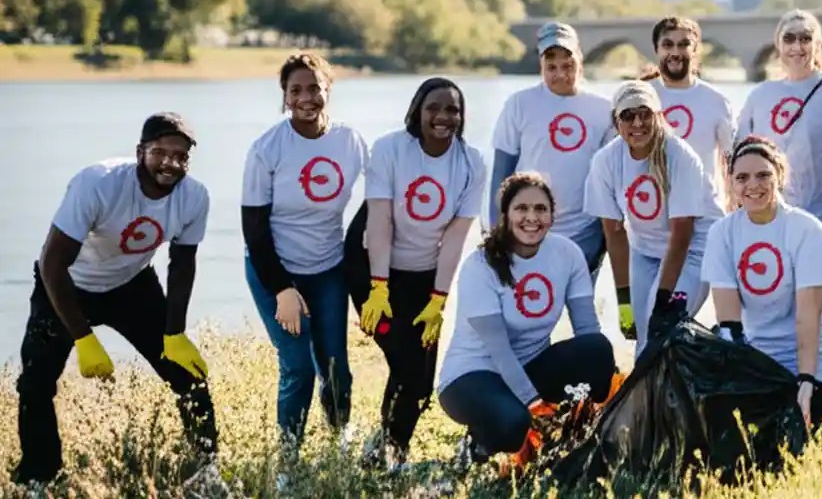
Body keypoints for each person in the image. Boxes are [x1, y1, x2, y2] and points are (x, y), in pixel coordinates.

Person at [13, 113, 218, 486]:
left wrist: (175, 332)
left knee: (189, 376)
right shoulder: (98, 183)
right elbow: (52, 262)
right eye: (160, 152)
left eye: (181, 155)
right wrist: (82, 337)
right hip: (65, 284)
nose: (171, 162)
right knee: (36, 384)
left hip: (131, 284)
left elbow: (182, 265)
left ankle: (207, 472)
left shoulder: (194, 197)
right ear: (140, 152)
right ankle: (38, 479)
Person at [350, 77, 485, 468]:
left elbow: (457, 234)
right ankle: (391, 453)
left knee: (421, 382)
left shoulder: (471, 161)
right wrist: (378, 288)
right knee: (406, 365)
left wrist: (438, 298)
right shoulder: (390, 149)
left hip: (425, 275)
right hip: (372, 267)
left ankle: (386, 448)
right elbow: (379, 221)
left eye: (453, 110)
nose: (443, 117)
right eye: (434, 108)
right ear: (417, 111)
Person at [436, 172, 617, 462]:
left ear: (552, 216)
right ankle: (475, 448)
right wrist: (533, 404)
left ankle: (578, 440)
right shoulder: (480, 265)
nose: (531, 217)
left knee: (598, 349)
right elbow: (499, 350)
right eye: (521, 208)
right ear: (505, 214)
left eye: (540, 209)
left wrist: (602, 383)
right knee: (514, 424)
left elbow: (587, 328)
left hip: (530, 366)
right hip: (472, 376)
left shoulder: (567, 254)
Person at [242, 52, 368, 454]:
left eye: (315, 87)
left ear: (328, 90)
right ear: (285, 97)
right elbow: (254, 229)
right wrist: (282, 288)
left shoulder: (349, 140)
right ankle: (289, 457)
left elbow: (381, 196)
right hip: (275, 271)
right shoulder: (267, 149)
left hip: (329, 269)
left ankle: (339, 441)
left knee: (336, 367)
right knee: (297, 367)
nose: (306, 97)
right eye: (296, 90)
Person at [702, 136, 822, 431]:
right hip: (763, 365)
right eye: (742, 178)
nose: (753, 186)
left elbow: (807, 316)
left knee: (786, 439)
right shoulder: (722, 233)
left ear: (780, 176)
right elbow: (730, 325)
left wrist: (806, 380)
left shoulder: (806, 230)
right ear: (731, 183)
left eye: (763, 175)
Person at [585, 80, 725, 354]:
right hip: (644, 251)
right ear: (616, 122)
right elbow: (614, 233)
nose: (637, 122)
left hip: (695, 250)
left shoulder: (680, 156)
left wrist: (664, 299)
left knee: (659, 333)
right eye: (628, 116)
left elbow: (682, 232)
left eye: (645, 113)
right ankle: (652, 396)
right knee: (644, 339)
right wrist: (624, 303)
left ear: (658, 116)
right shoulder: (605, 161)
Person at [489, 22, 613, 295]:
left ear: (579, 60)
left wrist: (603, 238)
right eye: (551, 66)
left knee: (582, 316)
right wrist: (495, 232)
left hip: (583, 235)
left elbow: (610, 179)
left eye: (567, 65)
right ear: (541, 65)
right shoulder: (519, 104)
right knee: (527, 310)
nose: (560, 74)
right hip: (527, 229)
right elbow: (501, 171)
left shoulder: (604, 110)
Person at [736, 10, 822, 247]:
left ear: (817, 44)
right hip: (765, 218)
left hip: (816, 220)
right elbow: (739, 161)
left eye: (805, 38)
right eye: (789, 39)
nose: (797, 46)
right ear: (778, 44)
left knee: (815, 285)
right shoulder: (760, 95)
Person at [643, 16, 736, 208]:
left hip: (704, 211)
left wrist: (735, 208)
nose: (675, 52)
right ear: (656, 50)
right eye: (668, 45)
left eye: (683, 45)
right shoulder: (642, 96)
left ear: (695, 50)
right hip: (652, 213)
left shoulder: (717, 101)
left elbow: (732, 163)